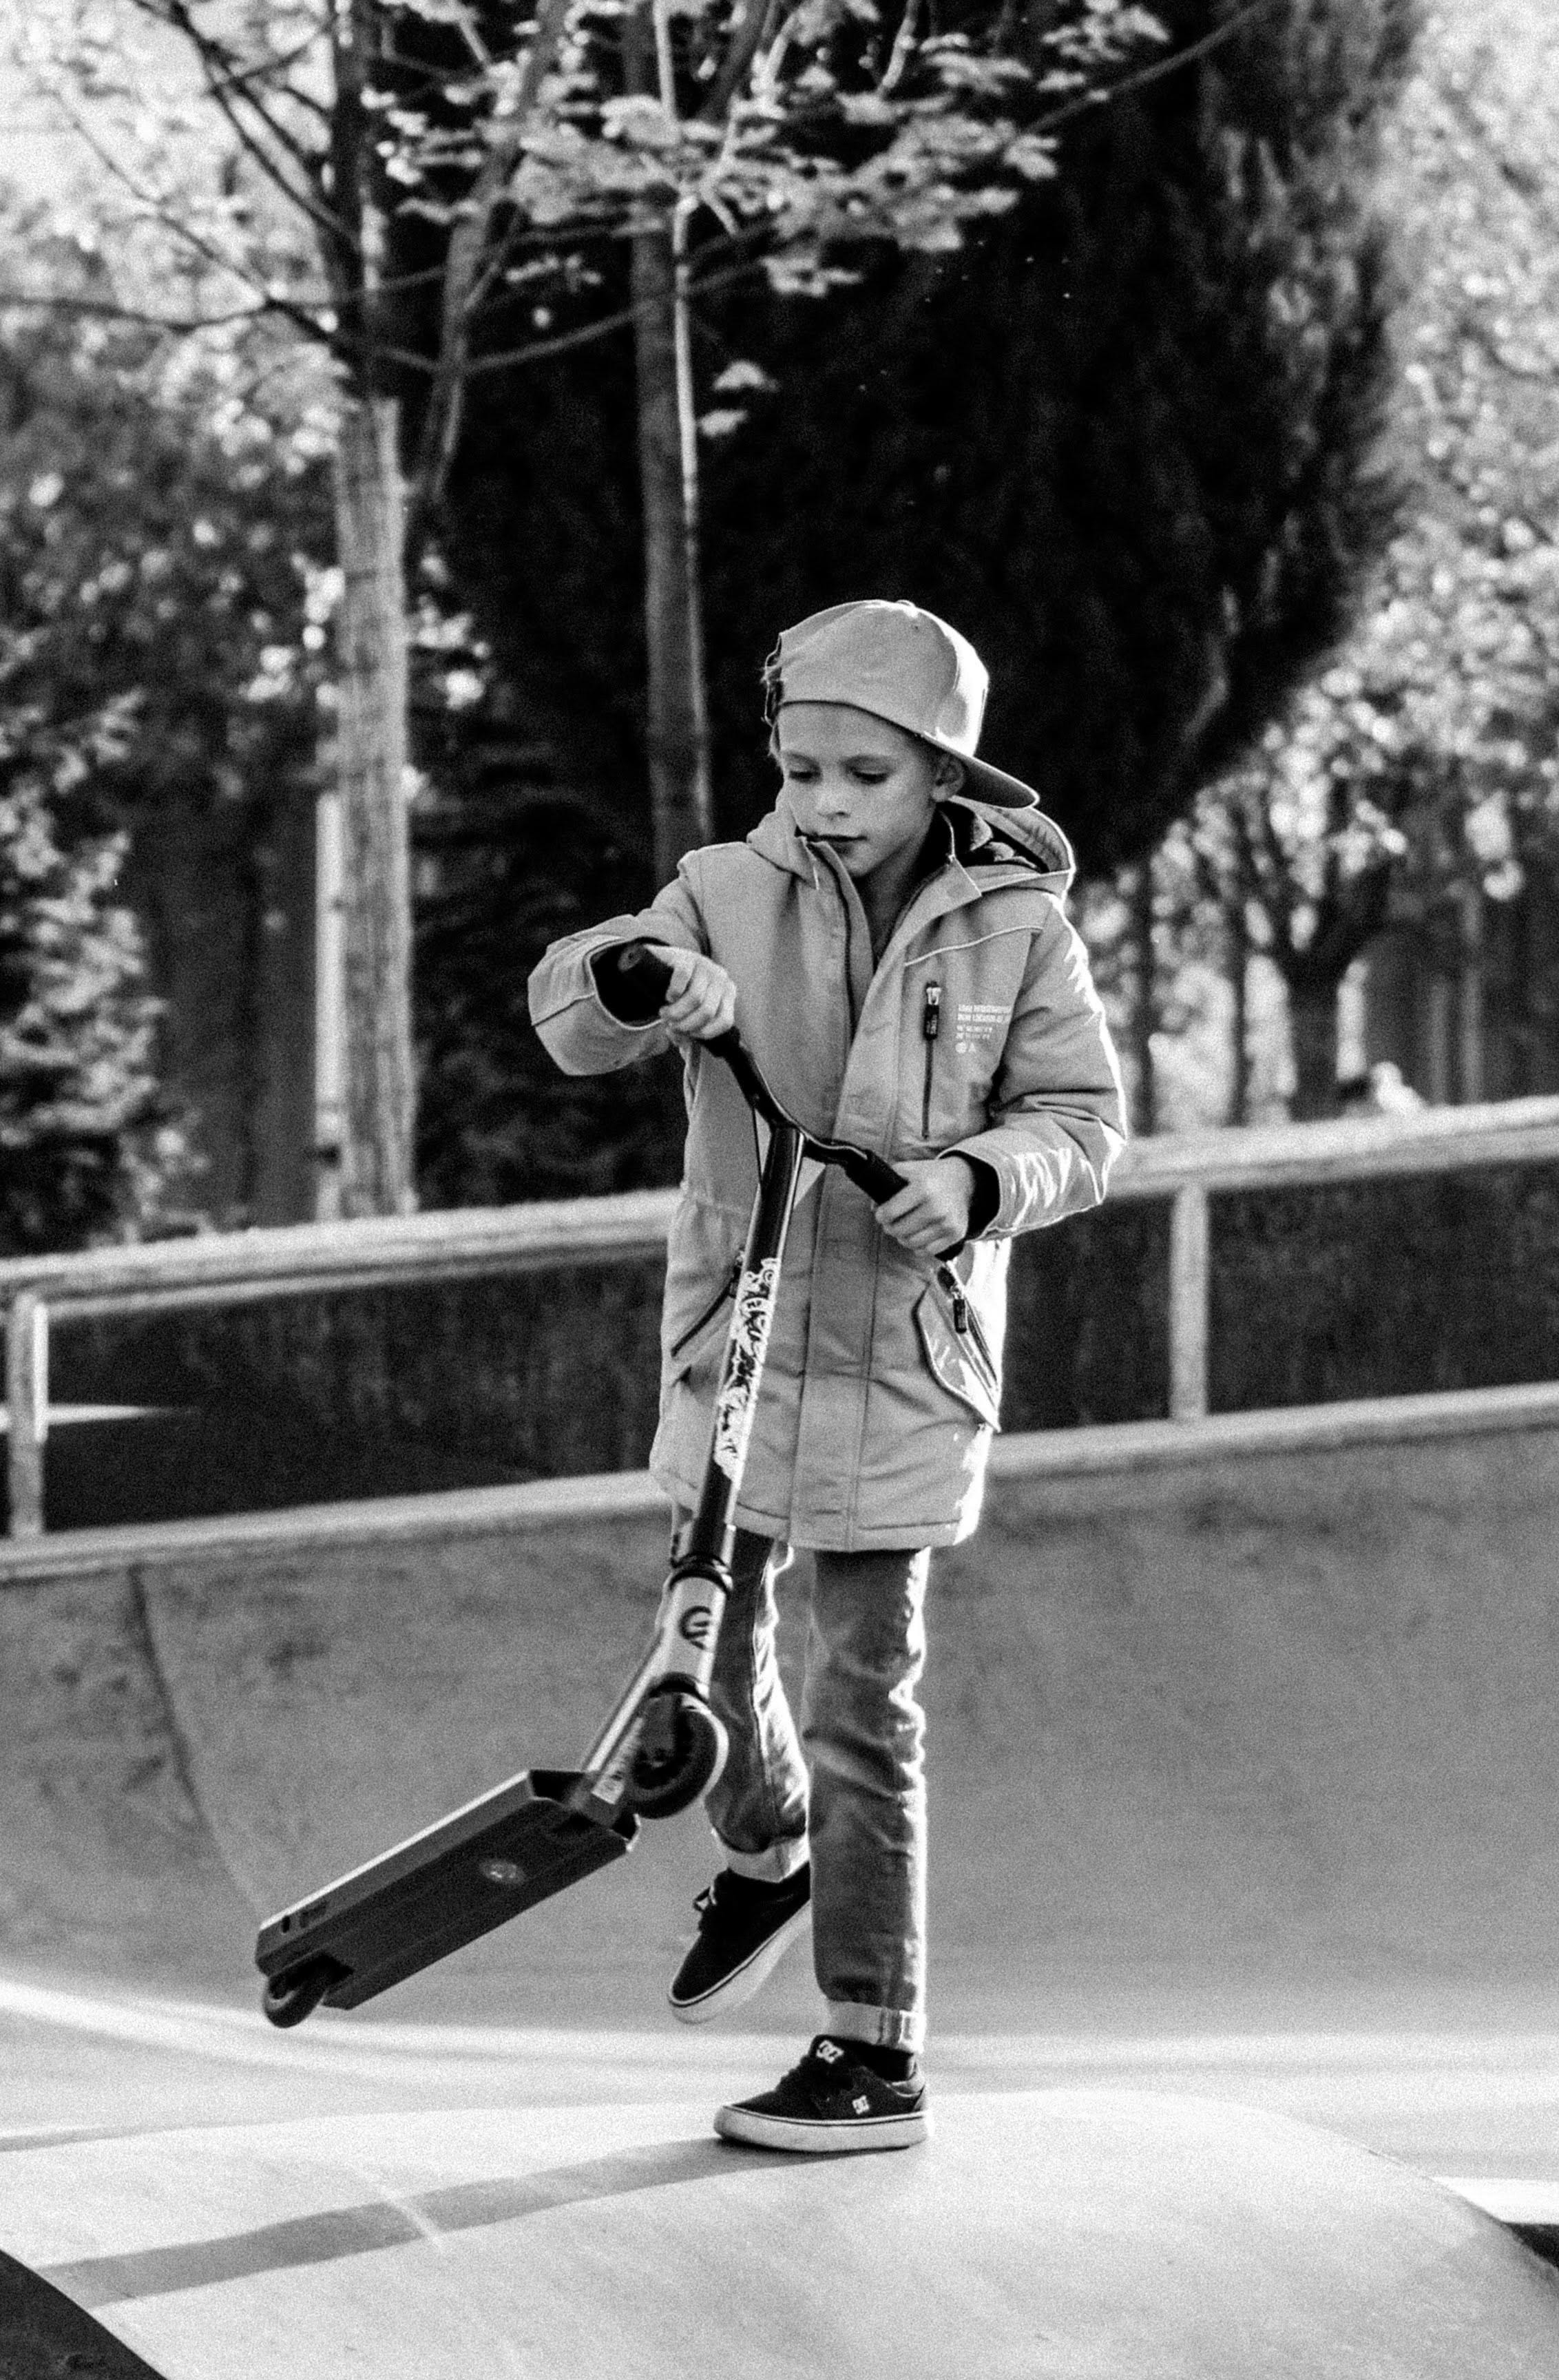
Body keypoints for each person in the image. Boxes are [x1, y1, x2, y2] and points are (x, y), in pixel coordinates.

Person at [528, 599, 1126, 2153]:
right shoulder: (725, 889)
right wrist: (656, 980)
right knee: (707, 1661)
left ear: (941, 772)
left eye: (863, 775)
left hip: (906, 1363)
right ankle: (770, 1842)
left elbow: (1083, 1124)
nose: (827, 806)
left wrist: (985, 1180)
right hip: (742, 1338)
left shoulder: (1019, 933)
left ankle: (873, 2042)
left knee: (870, 1703)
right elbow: (574, 1006)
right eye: (800, 773)